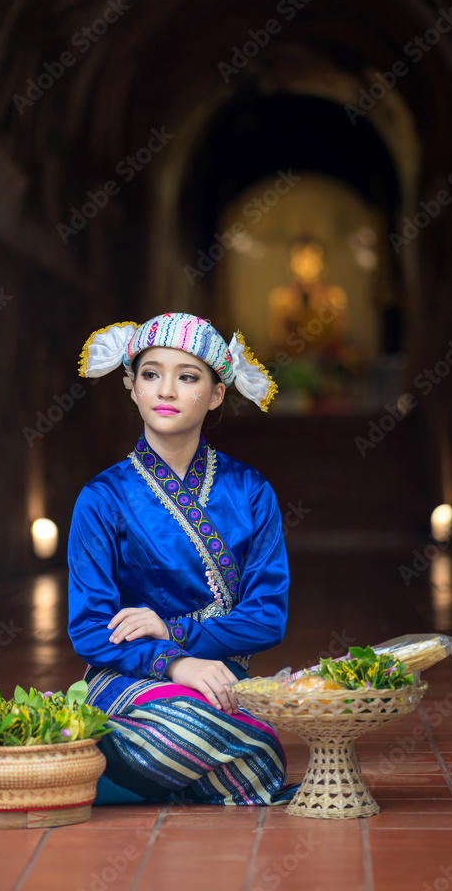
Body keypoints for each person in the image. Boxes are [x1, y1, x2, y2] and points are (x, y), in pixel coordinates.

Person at [69, 312, 297, 806]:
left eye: (187, 376)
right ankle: (55, 767)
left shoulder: (251, 491)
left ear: (216, 393)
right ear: (131, 387)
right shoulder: (101, 497)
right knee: (218, 737)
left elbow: (266, 619)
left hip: (219, 676)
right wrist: (173, 662)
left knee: (262, 749)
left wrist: (174, 632)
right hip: (130, 672)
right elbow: (89, 629)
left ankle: (59, 765)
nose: (166, 390)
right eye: (151, 374)